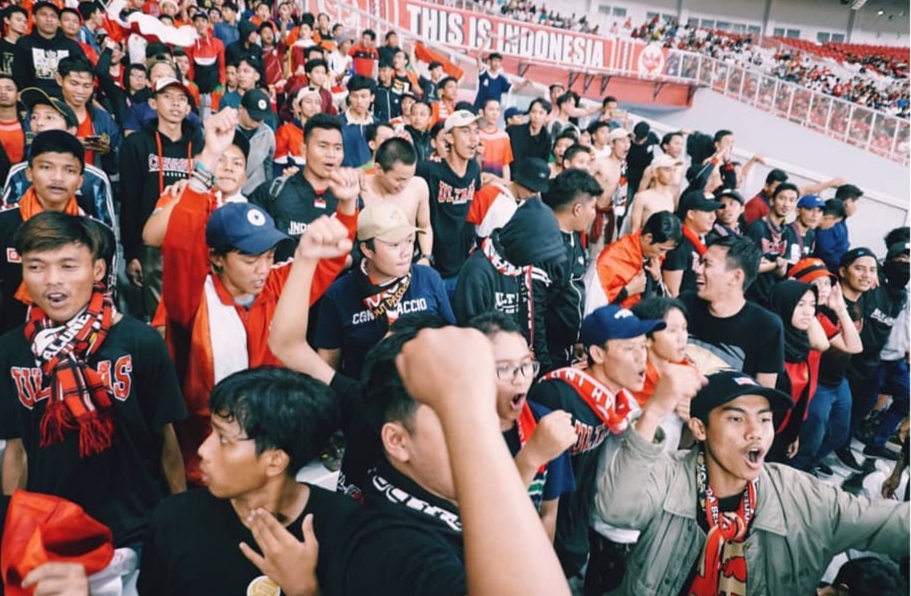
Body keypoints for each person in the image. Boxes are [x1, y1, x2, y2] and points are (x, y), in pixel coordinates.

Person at [153, 109, 357, 485]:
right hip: (203, 459)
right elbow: (180, 246)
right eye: (249, 258)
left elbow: (328, 262)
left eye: (268, 255)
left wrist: (346, 207)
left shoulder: (278, 283)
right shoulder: (193, 299)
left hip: (267, 444)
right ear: (216, 258)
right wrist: (207, 161)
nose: (263, 268)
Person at [594, 368, 909, 596]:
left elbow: (888, 523)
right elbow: (616, 509)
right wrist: (653, 413)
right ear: (699, 429)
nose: (755, 431)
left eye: (764, 419)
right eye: (736, 418)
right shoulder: (669, 474)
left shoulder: (801, 497)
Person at [324, 324, 572, 596]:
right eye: (454, 415)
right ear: (397, 441)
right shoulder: (403, 557)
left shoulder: (424, 496)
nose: (487, 429)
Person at [0, 212, 187, 549]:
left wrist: (179, 520)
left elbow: (167, 442)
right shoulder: (11, 350)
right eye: (36, 266)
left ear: (98, 270)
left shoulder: (140, 342)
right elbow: (17, 450)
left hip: (135, 531)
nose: (51, 280)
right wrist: (13, 528)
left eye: (68, 266)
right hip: (50, 534)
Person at [138, 367, 364, 596]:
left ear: (275, 461)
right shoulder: (174, 520)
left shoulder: (347, 531)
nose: (203, 450)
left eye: (224, 439)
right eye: (212, 432)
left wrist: (304, 590)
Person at [528, 304, 667, 579]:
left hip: (581, 543)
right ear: (598, 353)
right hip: (544, 551)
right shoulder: (557, 395)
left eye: (643, 347)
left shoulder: (618, 405)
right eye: (629, 349)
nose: (642, 358)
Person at [314, 201, 454, 379]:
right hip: (367, 396)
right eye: (394, 245)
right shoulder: (339, 294)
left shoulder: (428, 278)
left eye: (409, 241)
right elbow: (326, 363)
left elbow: (451, 337)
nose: (406, 252)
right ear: (367, 249)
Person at [468, 312, 577, 541]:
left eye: (526, 365)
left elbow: (547, 514)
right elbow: (481, 527)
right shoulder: (456, 434)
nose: (520, 379)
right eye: (505, 368)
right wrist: (531, 457)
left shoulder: (544, 425)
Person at [0, 130, 116, 335]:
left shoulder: (98, 234)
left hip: (75, 342)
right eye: (46, 167)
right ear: (29, 173)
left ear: (80, 180)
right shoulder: (4, 224)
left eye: (69, 170)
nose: (57, 178)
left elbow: (103, 296)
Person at [120, 76, 203, 320]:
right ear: (153, 103)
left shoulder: (200, 146)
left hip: (192, 246)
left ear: (188, 108)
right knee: (157, 320)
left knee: (194, 318)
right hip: (152, 248)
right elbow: (130, 200)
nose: (175, 104)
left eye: (181, 99)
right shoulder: (136, 143)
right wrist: (132, 252)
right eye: (167, 97)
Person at [453, 197, 565, 347]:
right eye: (537, 254)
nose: (538, 262)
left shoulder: (522, 267)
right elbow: (469, 335)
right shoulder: (477, 273)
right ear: (522, 244)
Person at [679, 235, 784, 387]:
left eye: (707, 264)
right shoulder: (685, 303)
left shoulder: (766, 326)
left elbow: (763, 396)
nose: (697, 269)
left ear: (735, 277)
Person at [249, 114, 352, 261]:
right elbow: (252, 243)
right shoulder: (273, 192)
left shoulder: (348, 200)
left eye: (337, 148)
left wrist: (341, 262)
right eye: (323, 146)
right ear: (304, 150)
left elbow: (358, 250)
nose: (331, 154)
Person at [537, 169, 602, 372]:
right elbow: (536, 310)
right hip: (549, 352)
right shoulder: (546, 247)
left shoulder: (573, 236)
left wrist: (576, 339)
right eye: (592, 207)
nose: (595, 213)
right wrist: (543, 363)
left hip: (568, 348)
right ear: (577, 209)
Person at [416, 110, 482, 295]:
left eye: (476, 132)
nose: (473, 139)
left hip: (463, 268)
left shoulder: (474, 169)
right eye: (465, 131)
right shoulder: (428, 170)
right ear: (449, 138)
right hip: (433, 267)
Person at [767, 280, 831, 463]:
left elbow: (798, 399)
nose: (808, 312)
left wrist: (793, 434)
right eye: (800, 304)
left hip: (782, 433)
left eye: (813, 305)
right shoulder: (770, 343)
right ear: (784, 303)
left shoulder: (801, 344)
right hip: (759, 433)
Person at [588, 210, 681, 313]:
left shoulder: (653, 258)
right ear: (648, 238)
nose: (663, 255)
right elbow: (592, 309)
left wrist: (657, 280)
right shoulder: (611, 259)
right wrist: (626, 292)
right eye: (661, 249)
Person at [361, 137, 433, 260]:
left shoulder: (418, 186)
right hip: (371, 264)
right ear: (378, 169)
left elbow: (425, 226)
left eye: (410, 177)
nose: (404, 185)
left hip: (409, 260)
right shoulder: (361, 190)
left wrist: (426, 257)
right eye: (399, 179)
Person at [12, 0, 85, 94]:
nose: (49, 19)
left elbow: (82, 74)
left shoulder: (72, 46)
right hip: (35, 99)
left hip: (67, 99)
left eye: (53, 16)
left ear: (59, 21)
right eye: (44, 14)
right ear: (34, 18)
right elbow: (20, 77)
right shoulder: (24, 43)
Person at [467, 157, 550, 239]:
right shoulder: (489, 194)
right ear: (520, 180)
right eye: (530, 189)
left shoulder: (531, 207)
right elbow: (467, 224)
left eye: (536, 191)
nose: (532, 194)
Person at [745, 181, 799, 306]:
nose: (786, 204)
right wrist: (776, 264)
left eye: (791, 200)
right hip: (749, 295)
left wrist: (774, 265)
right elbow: (749, 266)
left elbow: (782, 271)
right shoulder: (757, 227)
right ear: (772, 200)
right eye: (782, 198)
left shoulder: (788, 233)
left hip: (770, 296)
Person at [662, 191, 722, 297]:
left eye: (714, 211)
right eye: (708, 211)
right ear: (691, 214)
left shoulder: (708, 241)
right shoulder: (679, 244)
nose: (713, 217)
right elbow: (671, 291)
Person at [627, 154, 683, 233]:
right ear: (656, 172)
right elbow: (634, 230)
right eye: (667, 170)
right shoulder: (643, 197)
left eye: (674, 170)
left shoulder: (669, 196)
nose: (671, 174)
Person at [815, 184, 863, 272]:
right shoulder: (831, 224)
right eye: (856, 202)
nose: (857, 207)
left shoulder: (841, 223)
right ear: (848, 202)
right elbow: (825, 252)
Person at [236, 88, 276, 195]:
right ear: (241, 109)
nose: (257, 121)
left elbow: (268, 165)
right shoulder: (227, 128)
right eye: (253, 117)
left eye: (261, 118)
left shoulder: (267, 134)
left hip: (255, 192)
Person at [338, 74, 376, 168]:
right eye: (355, 96)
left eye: (363, 96)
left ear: (372, 98)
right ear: (349, 97)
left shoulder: (377, 125)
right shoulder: (337, 123)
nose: (359, 101)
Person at [477, 98, 514, 181]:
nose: (495, 113)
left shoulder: (504, 136)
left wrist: (506, 184)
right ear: (482, 112)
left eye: (497, 110)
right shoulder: (476, 135)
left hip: (498, 184)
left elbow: (505, 165)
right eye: (491, 109)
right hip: (480, 183)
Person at [507, 98, 551, 163]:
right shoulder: (513, 131)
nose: (536, 116)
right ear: (529, 113)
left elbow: (544, 162)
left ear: (547, 116)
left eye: (541, 113)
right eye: (533, 112)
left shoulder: (546, 138)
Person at [790, 194, 825, 259]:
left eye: (819, 211)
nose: (815, 215)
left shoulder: (811, 234)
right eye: (810, 209)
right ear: (798, 211)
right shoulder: (785, 231)